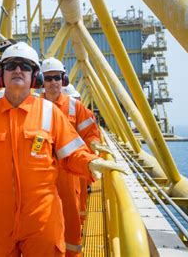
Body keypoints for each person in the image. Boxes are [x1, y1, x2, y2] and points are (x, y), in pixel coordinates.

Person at [0, 42, 124, 256]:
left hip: (41, 215)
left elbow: (71, 153)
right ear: (1, 75)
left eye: (25, 66)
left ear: (35, 77)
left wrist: (89, 162)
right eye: (11, 65)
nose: (18, 70)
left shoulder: (49, 112)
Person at [41, 59, 111, 256]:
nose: (53, 82)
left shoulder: (74, 107)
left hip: (68, 173)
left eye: (57, 77)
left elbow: (89, 131)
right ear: (41, 81)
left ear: (63, 80)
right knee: (43, 223)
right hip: (41, 174)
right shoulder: (35, 107)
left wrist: (94, 143)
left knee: (71, 221)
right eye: (48, 78)